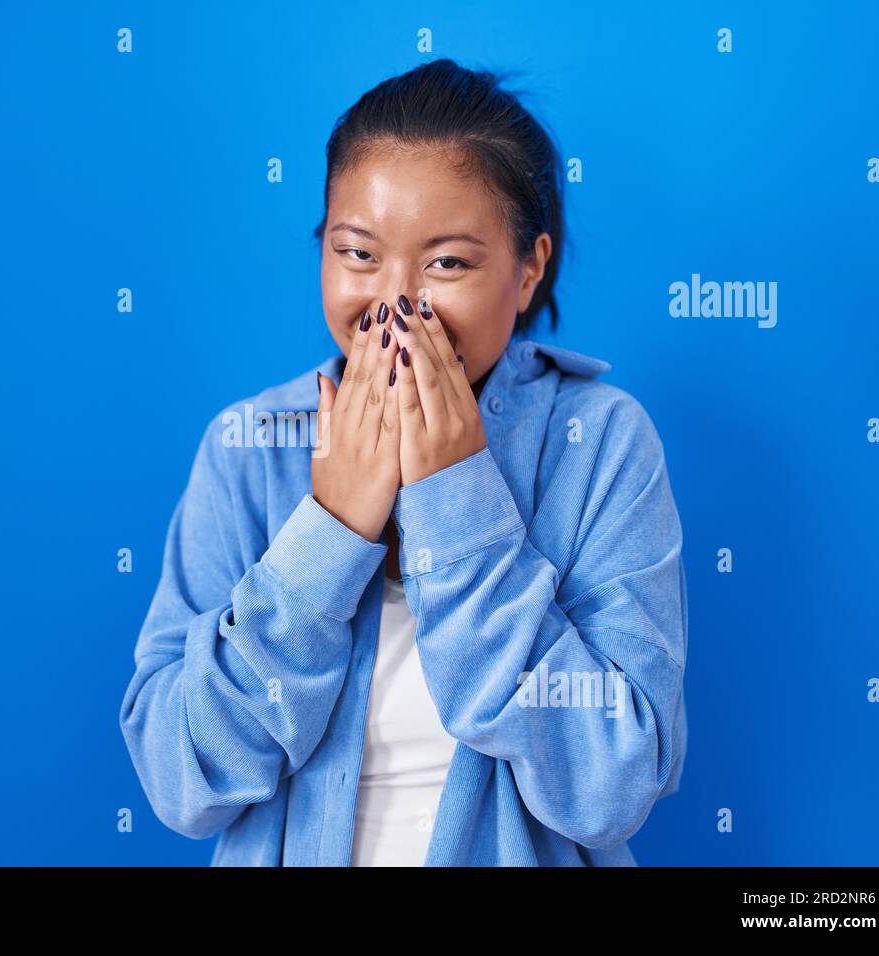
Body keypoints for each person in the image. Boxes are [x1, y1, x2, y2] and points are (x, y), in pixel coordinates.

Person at [119, 58, 688, 866]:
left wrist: (459, 498)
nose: (395, 306)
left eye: (447, 263)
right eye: (357, 254)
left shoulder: (601, 444)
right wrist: (328, 535)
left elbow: (614, 785)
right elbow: (182, 779)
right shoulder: (247, 448)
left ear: (527, 269)